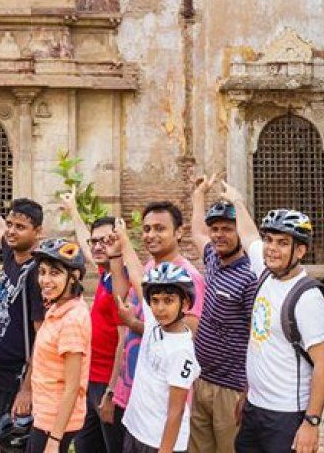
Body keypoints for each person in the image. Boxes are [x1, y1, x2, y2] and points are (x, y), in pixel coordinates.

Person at [232, 195, 324, 453]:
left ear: (300, 251)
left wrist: (311, 422)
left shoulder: (308, 297)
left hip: (286, 415)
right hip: (255, 407)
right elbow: (247, 235)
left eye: (282, 243)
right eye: (269, 240)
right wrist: (236, 200)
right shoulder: (266, 273)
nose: (271, 248)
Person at [108, 201, 206, 434]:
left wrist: (133, 323)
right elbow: (123, 297)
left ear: (179, 232)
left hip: (160, 401)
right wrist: (115, 256)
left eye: (160, 228)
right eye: (147, 229)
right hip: (134, 392)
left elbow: (186, 333)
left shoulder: (188, 277)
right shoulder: (151, 267)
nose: (151, 235)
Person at [0, 188, 46, 453]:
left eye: (21, 227)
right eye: (11, 224)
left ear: (37, 232)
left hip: (15, 382)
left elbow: (43, 337)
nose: (12, 231)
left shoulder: (38, 274)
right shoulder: (11, 256)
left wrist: (27, 390)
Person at [187, 175, 258, 453]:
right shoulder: (213, 259)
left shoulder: (250, 277)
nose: (218, 235)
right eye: (215, 228)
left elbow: (257, 335)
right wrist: (198, 195)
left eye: (227, 229)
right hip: (202, 379)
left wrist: (247, 390)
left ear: (240, 232)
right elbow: (196, 233)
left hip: (231, 389)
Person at [60, 193, 126, 453]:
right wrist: (74, 210)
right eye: (95, 241)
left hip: (110, 384)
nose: (98, 247)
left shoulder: (122, 284)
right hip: (91, 379)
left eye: (106, 241)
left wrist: (112, 391)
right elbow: (87, 250)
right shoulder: (106, 272)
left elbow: (124, 340)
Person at [27, 238, 92, 452]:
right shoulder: (57, 308)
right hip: (45, 413)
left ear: (73, 277)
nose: (45, 280)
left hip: (54, 422)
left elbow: (72, 386)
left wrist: (54, 440)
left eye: (54, 273)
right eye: (42, 272)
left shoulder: (72, 320)